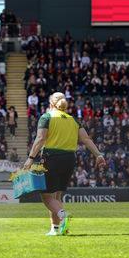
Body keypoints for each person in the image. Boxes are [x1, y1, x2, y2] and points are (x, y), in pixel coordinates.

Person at [23, 92, 106, 236]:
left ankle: (63, 216)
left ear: (51, 104)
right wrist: (98, 154)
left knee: (47, 196)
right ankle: (56, 229)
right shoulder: (73, 120)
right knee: (57, 196)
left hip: (51, 158)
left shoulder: (47, 117)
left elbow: (40, 139)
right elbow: (86, 139)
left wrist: (30, 158)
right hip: (69, 159)